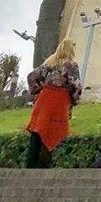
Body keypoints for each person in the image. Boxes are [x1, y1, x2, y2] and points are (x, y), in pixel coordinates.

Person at [24, 39, 82, 168]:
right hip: (60, 100)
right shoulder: (71, 65)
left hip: (44, 99)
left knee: (38, 128)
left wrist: (38, 89)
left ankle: (31, 163)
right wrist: (74, 100)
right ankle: (45, 163)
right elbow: (76, 85)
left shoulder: (49, 63)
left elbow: (31, 76)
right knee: (54, 129)